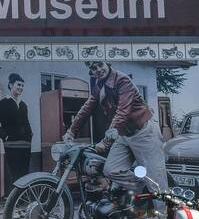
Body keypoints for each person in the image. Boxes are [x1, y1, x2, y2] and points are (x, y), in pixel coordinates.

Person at [63, 60, 168, 192]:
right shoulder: (99, 85)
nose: (99, 69)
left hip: (144, 133)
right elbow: (87, 108)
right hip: (124, 134)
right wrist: (71, 131)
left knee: (156, 180)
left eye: (100, 65)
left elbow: (122, 112)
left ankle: (162, 210)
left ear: (107, 63)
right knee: (111, 170)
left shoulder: (123, 80)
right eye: (94, 68)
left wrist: (106, 142)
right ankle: (143, 191)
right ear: (91, 72)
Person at [0, 73, 34, 196]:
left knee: (24, 173)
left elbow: (26, 123)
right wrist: (6, 137)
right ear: (11, 85)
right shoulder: (1, 104)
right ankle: (16, 203)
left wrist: (30, 136)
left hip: (25, 145)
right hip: (11, 145)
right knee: (15, 174)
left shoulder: (23, 105)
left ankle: (23, 202)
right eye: (18, 85)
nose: (20, 87)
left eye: (22, 85)